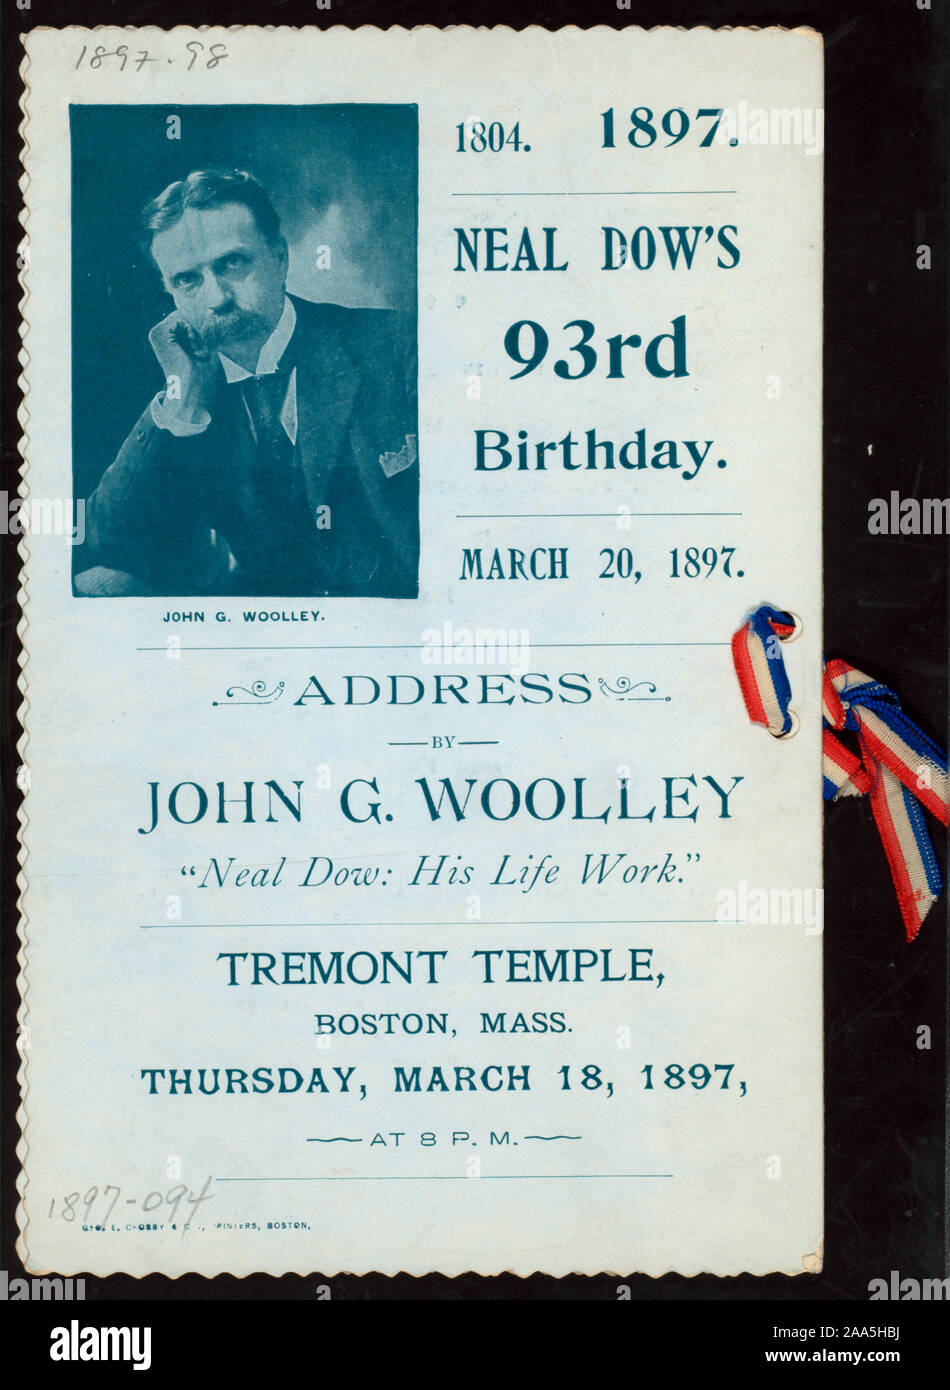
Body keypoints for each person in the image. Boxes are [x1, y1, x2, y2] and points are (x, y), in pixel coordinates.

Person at [77, 168, 418, 597]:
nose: (216, 298)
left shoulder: (396, 343)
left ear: (279, 257)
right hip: (256, 631)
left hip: (380, 626)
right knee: (98, 585)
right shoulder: (182, 383)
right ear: (170, 292)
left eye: (232, 263)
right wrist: (184, 401)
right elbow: (105, 543)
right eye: (188, 280)